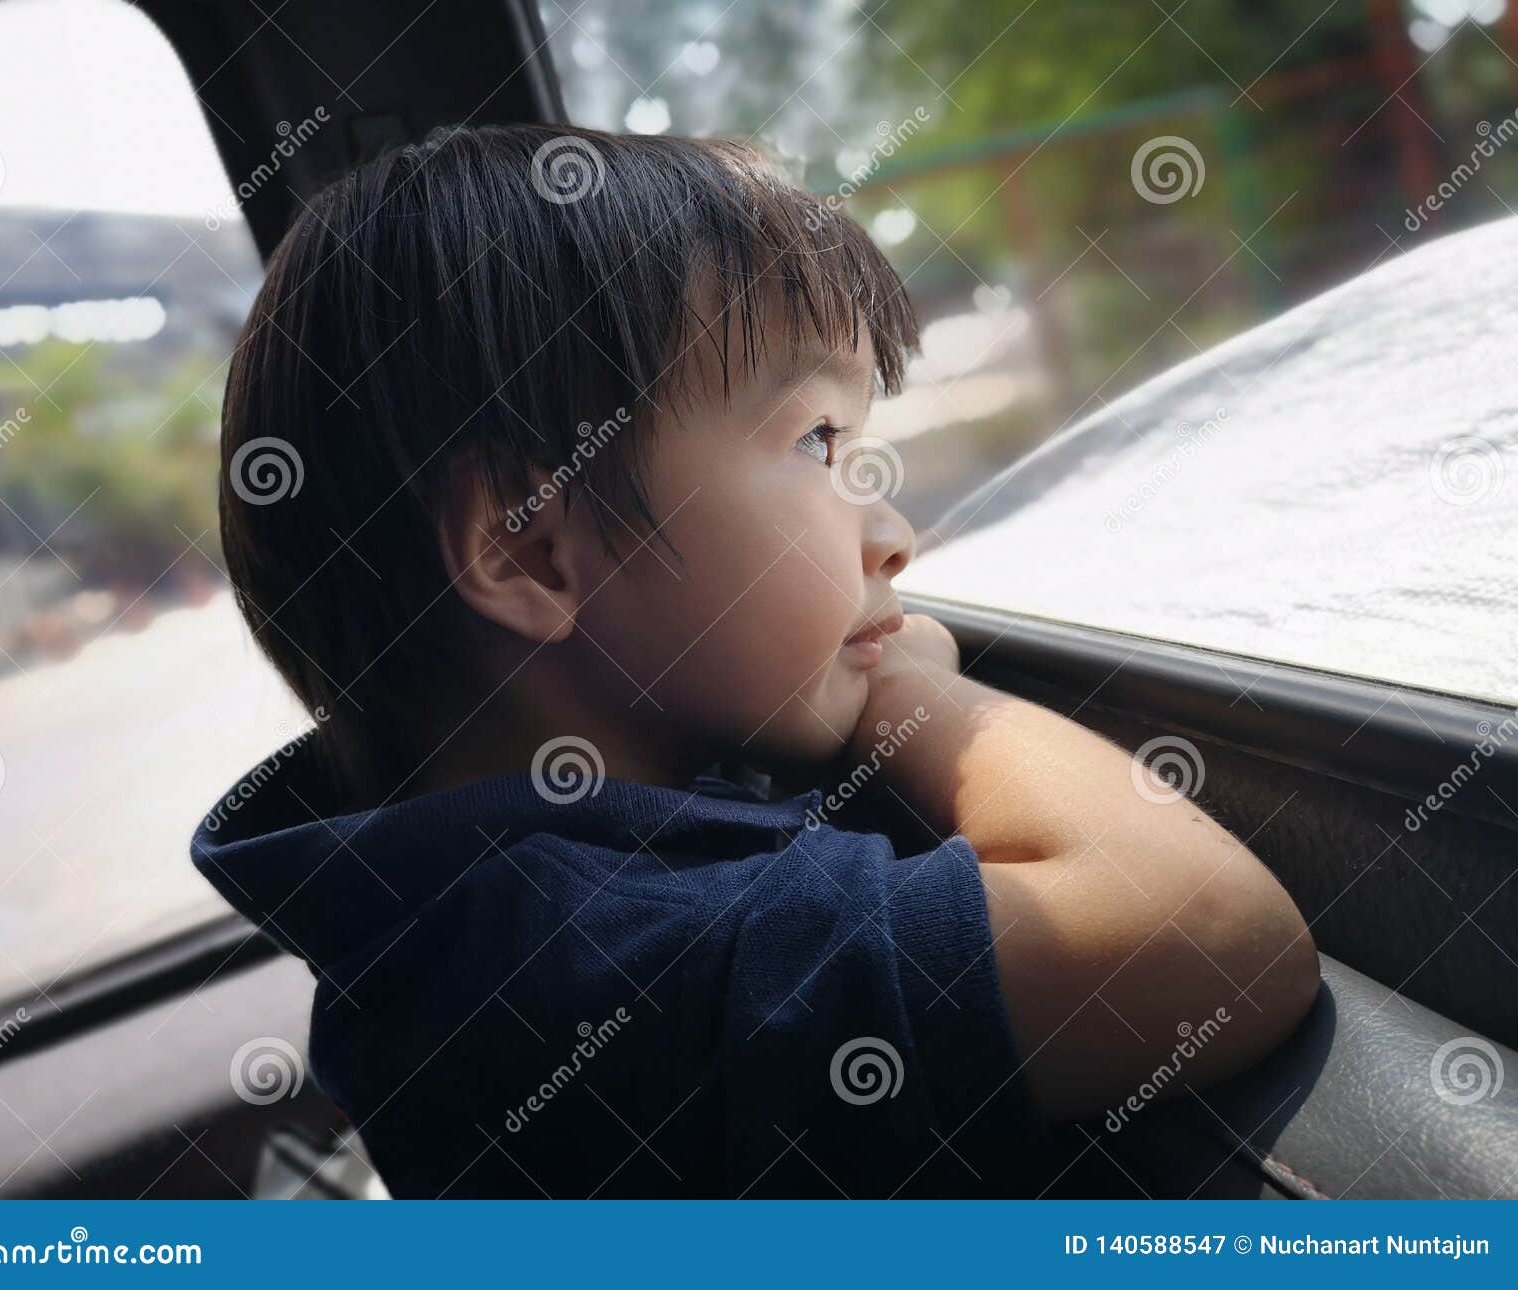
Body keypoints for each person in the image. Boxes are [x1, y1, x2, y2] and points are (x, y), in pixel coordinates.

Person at [192, 123, 1318, 1197]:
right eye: (818, 442)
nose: (892, 534)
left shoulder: (538, 876)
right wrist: (917, 691)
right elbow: (1212, 945)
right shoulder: (591, 970)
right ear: (530, 546)